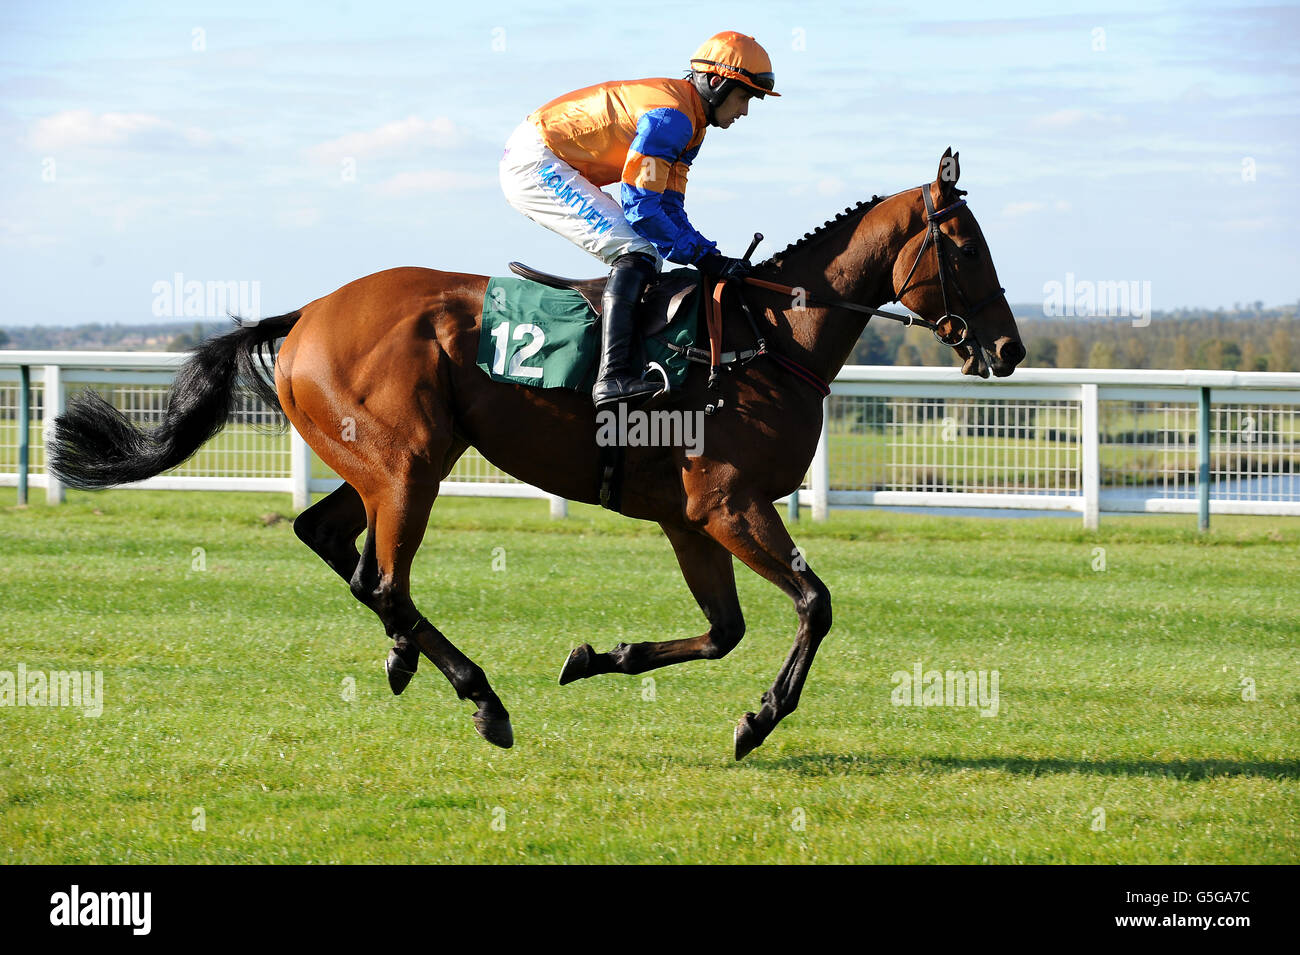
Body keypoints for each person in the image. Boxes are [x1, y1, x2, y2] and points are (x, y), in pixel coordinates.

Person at [499, 31, 779, 408]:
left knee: (646, 249)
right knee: (638, 249)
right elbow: (642, 207)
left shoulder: (691, 126)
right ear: (716, 83)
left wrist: (709, 254)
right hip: (535, 163)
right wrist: (706, 259)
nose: (744, 110)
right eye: (744, 96)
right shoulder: (672, 118)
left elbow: (669, 208)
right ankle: (612, 377)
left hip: (551, 159)